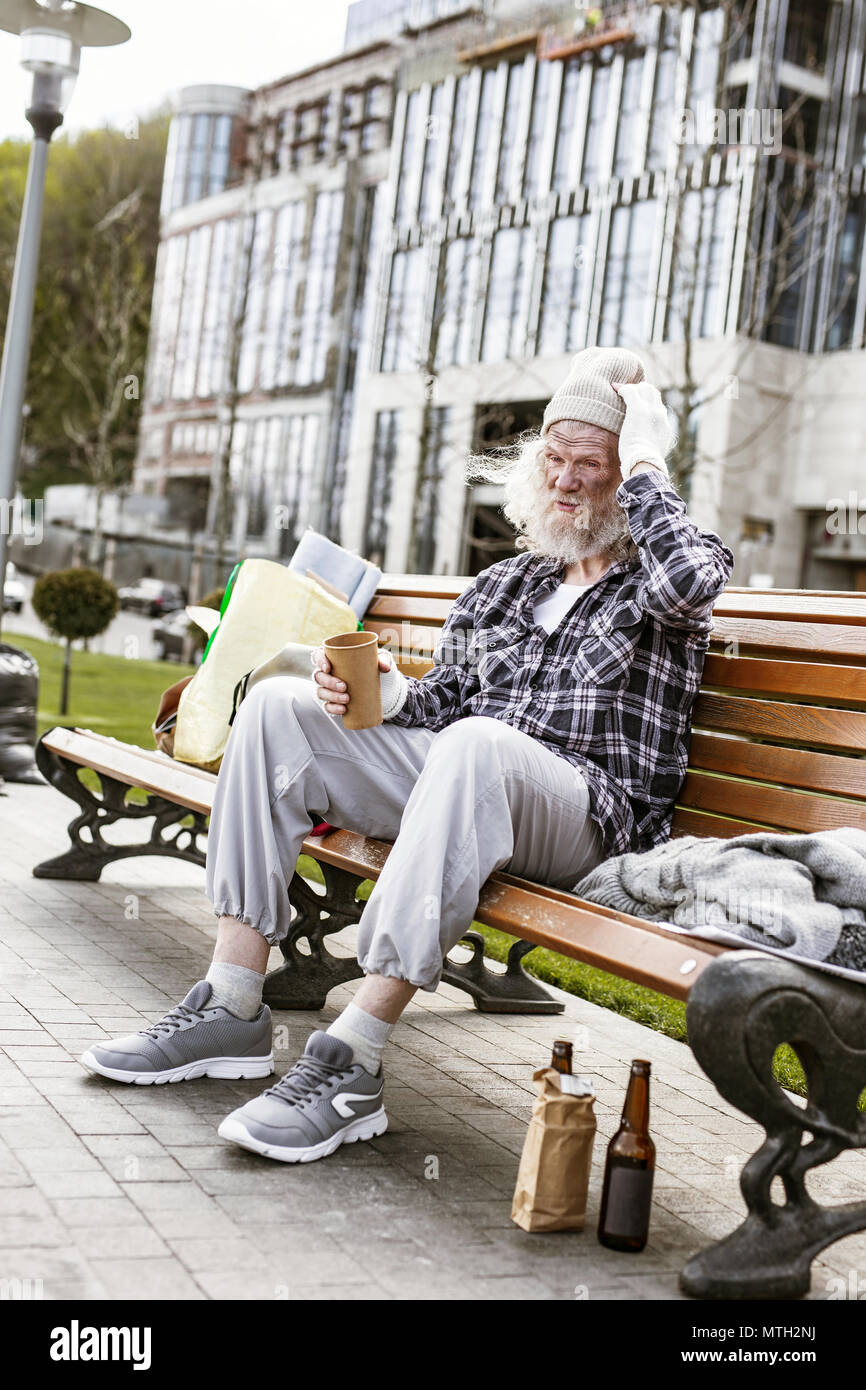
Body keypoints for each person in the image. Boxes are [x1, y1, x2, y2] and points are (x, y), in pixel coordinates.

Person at [81, 348, 734, 1164]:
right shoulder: (509, 585)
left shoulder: (664, 573)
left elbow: (687, 589)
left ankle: (350, 1058)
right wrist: (387, 694)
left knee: (478, 746)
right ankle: (232, 1001)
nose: (567, 482)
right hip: (473, 777)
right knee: (279, 705)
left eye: (593, 467)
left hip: (588, 817)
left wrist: (645, 457)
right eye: (556, 461)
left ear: (628, 476)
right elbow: (449, 700)